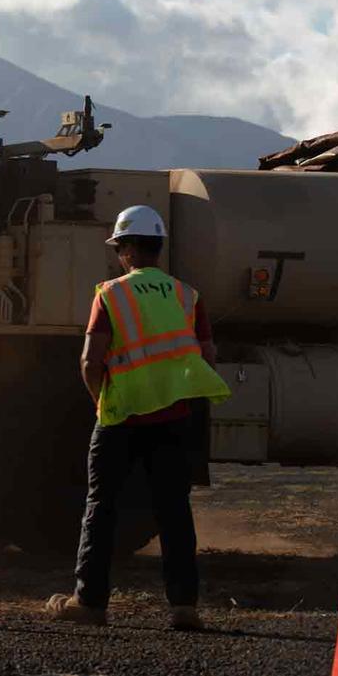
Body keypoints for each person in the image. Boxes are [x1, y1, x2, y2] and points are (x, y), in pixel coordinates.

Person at [46, 206, 229, 630]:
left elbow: (91, 361)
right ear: (159, 248)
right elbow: (208, 356)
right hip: (173, 418)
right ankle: (184, 608)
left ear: (126, 249)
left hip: (120, 417)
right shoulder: (188, 295)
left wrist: (101, 402)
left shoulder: (110, 294)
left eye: (119, 247)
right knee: (174, 511)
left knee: (101, 507)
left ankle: (90, 603)